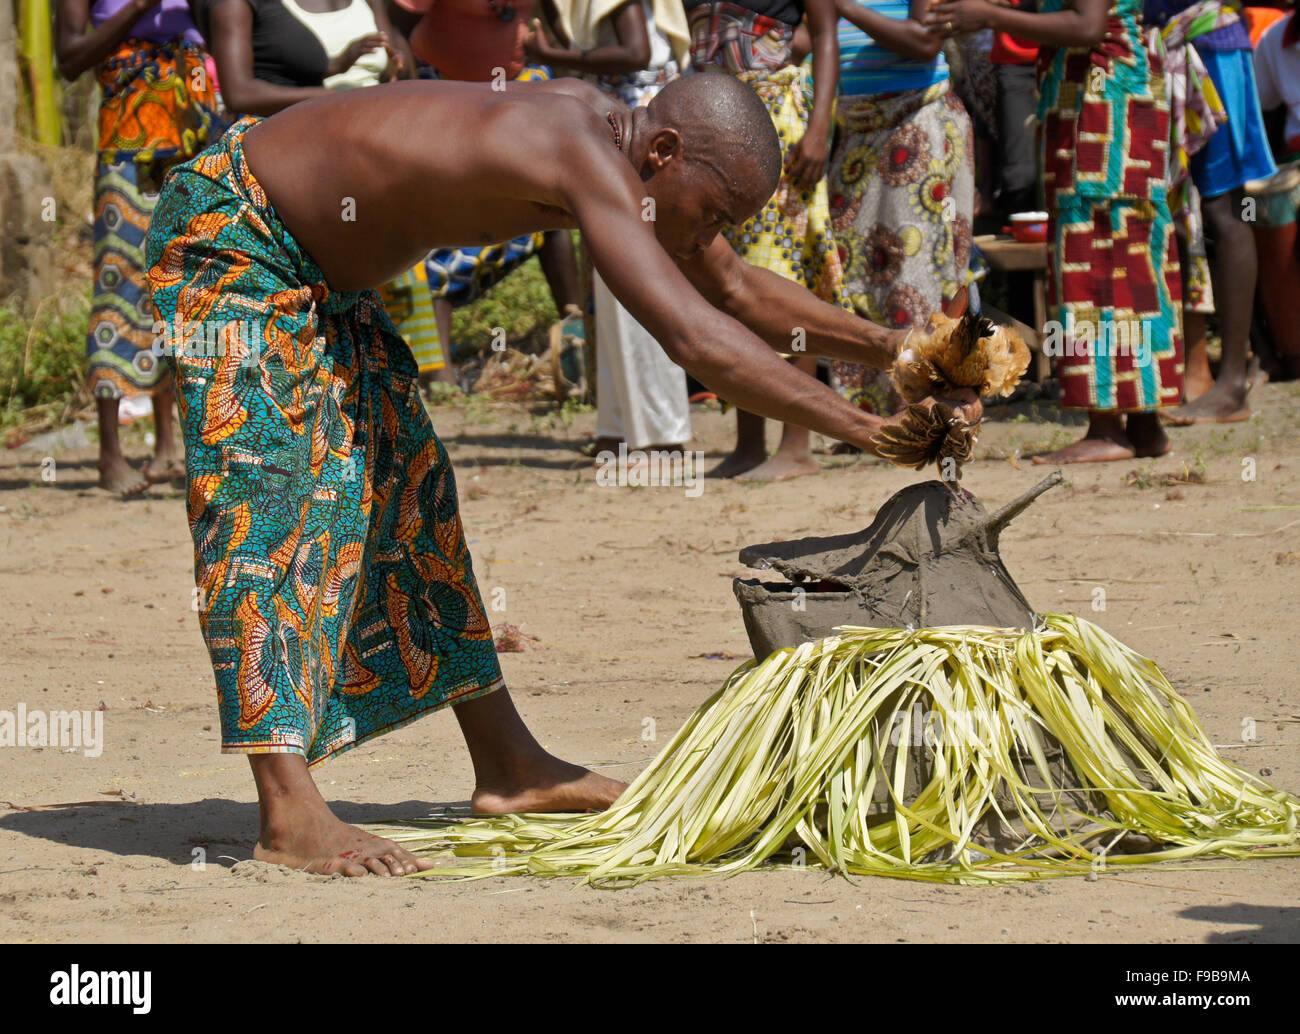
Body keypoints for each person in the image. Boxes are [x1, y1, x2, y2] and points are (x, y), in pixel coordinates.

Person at [144, 74, 980, 875]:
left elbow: (731, 287)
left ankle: (510, 767)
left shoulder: (624, 149)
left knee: (411, 496)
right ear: (664, 150)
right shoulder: (577, 148)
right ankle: (287, 811)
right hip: (234, 235)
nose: (704, 234)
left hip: (318, 274)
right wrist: (874, 429)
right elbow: (695, 340)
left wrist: (900, 351)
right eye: (713, 211)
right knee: (268, 498)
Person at [928, 0, 1185, 464]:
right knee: (1128, 258)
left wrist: (989, 18)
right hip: (1102, 98)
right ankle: (1143, 424)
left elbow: (1087, 26)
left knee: (1096, 257)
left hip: (1100, 104)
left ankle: (1107, 426)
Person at [56, 0, 224, 496]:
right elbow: (68, 60)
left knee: (187, 287)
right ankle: (109, 454)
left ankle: (169, 444)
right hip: (128, 141)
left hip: (194, 135)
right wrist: (138, 10)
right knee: (120, 282)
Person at [685, 0, 845, 481]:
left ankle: (796, 445)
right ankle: (749, 444)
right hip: (712, 130)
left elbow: (824, 33)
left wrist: (819, 127)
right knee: (725, 286)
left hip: (775, 121)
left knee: (787, 277)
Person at [391, 0, 585, 388]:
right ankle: (438, 372)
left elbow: (553, 22)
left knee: (547, 205)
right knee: (451, 215)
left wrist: (559, 59)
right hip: (447, 92)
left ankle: (575, 325)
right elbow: (396, 23)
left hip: (520, 87)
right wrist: (404, 84)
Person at [529, 0, 695, 453]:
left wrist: (552, 56)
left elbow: (636, 51)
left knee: (637, 278)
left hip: (640, 146)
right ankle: (619, 425)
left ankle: (662, 433)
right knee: (612, 285)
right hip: (617, 141)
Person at [827, 0, 975, 416]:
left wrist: (844, 8)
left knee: (914, 271)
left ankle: (920, 409)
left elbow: (925, 42)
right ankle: (867, 413)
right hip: (856, 127)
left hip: (916, 119)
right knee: (852, 265)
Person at [1145, 0, 1277, 424]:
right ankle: (1212, 372)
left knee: (1226, 209)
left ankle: (1233, 382)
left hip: (1211, 48)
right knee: (1181, 210)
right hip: (1173, 47)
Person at [1249, 5, 1300, 378]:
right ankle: (1288, 347)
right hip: (1293, 164)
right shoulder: (1274, 39)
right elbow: (1262, 115)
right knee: (1247, 208)